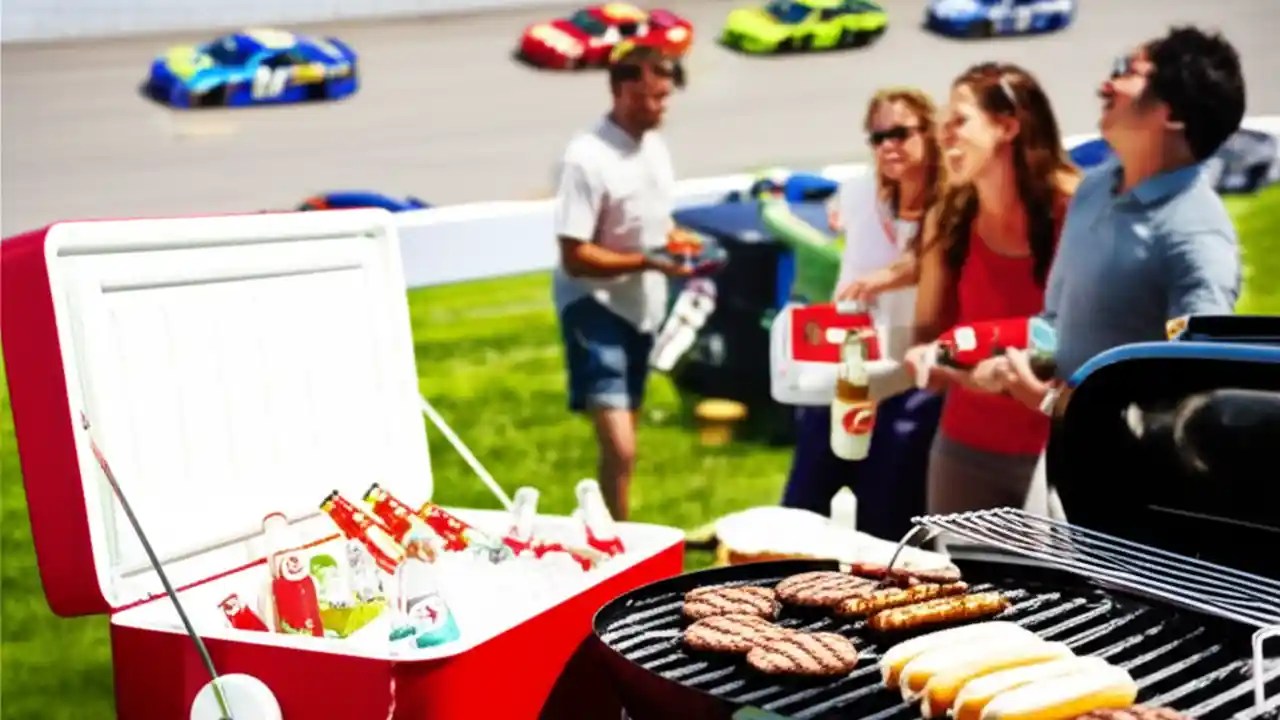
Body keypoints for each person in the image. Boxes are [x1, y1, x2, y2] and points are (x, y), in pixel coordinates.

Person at [966, 27, 1245, 509]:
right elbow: (1057, 323)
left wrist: (1054, 402)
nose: (1105, 84)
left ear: (1172, 114)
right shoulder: (1094, 191)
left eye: (1127, 72)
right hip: (1057, 466)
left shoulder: (1197, 238)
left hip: (1136, 495)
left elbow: (1193, 400)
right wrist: (1026, 364)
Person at [903, 62, 1081, 516]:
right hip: (964, 451)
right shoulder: (947, 219)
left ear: (1007, 126)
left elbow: (1094, 334)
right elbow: (928, 342)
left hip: (1061, 451)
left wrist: (1009, 369)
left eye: (959, 121)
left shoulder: (1078, 211)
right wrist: (954, 370)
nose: (944, 137)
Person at [780, 87, 946, 541]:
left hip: (912, 380)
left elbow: (933, 257)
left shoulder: (952, 205)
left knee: (888, 518)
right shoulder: (858, 193)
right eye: (876, 137)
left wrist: (886, 277)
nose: (887, 145)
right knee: (805, 506)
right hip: (847, 367)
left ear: (930, 133)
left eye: (899, 133)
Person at [551, 45, 694, 521]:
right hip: (595, 306)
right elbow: (575, 257)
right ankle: (619, 547)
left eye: (663, 98)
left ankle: (609, 529)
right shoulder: (586, 159)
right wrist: (649, 262)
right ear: (618, 90)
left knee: (623, 447)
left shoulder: (654, 147)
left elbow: (656, 222)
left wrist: (679, 245)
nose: (656, 108)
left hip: (641, 307)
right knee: (621, 445)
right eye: (645, 98)